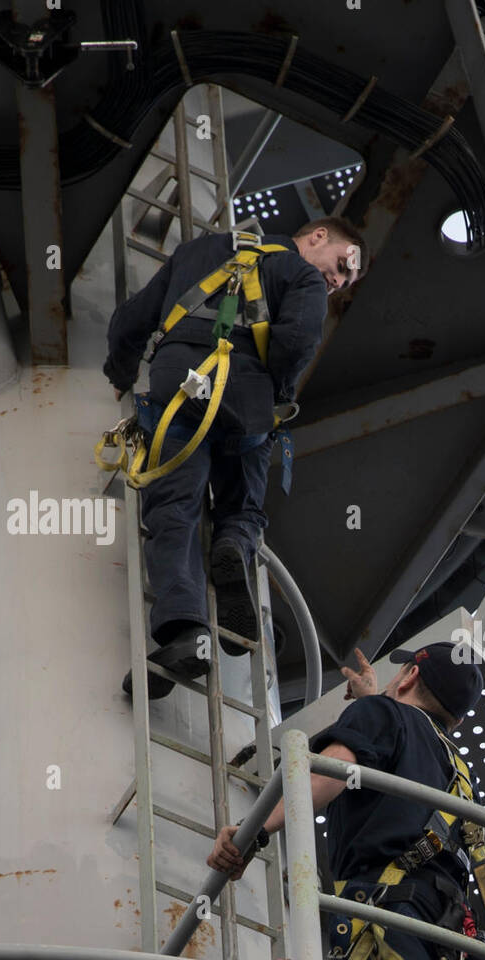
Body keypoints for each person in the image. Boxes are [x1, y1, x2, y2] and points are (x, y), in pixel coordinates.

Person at [104, 215, 367, 697]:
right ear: (318, 236)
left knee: (173, 508)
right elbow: (297, 341)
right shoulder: (301, 275)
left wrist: (120, 372)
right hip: (244, 395)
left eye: (345, 282)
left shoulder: (196, 252)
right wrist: (278, 401)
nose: (338, 282)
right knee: (243, 503)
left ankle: (186, 634)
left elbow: (130, 321)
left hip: (176, 384)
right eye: (343, 266)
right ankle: (231, 545)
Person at [207, 641, 485, 960]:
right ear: (457, 721)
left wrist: (250, 833)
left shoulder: (381, 714)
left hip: (390, 915)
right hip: (447, 937)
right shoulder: (461, 771)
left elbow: (327, 777)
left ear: (411, 675)